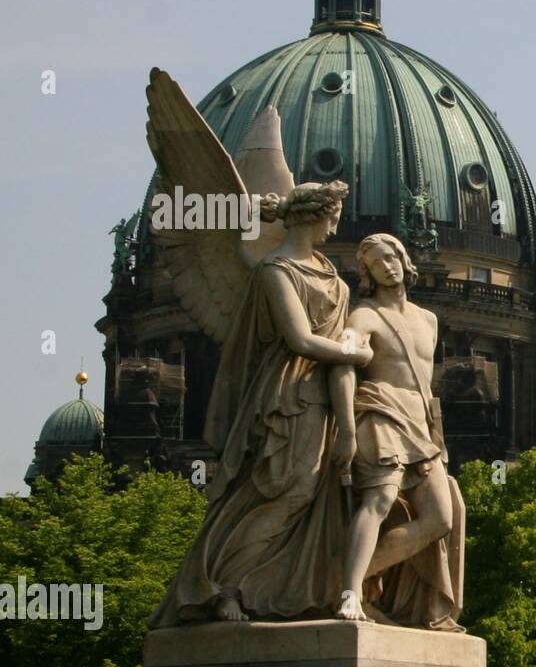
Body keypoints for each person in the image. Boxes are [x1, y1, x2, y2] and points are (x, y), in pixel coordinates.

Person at [149, 182, 371, 626]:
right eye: (335, 214)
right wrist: (357, 353)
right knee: (286, 490)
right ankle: (223, 586)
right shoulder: (276, 270)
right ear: (315, 215)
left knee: (318, 498)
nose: (337, 223)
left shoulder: (325, 268)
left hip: (330, 396)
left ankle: (288, 590)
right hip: (288, 396)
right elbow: (300, 340)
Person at [331, 233, 465, 630]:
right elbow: (345, 356)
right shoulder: (365, 315)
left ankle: (355, 575)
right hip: (381, 410)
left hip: (420, 423)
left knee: (442, 518)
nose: (386, 265)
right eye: (375, 262)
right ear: (367, 274)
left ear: (404, 260)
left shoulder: (429, 320)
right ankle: (349, 592)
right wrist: (346, 431)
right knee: (381, 497)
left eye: (390, 256)